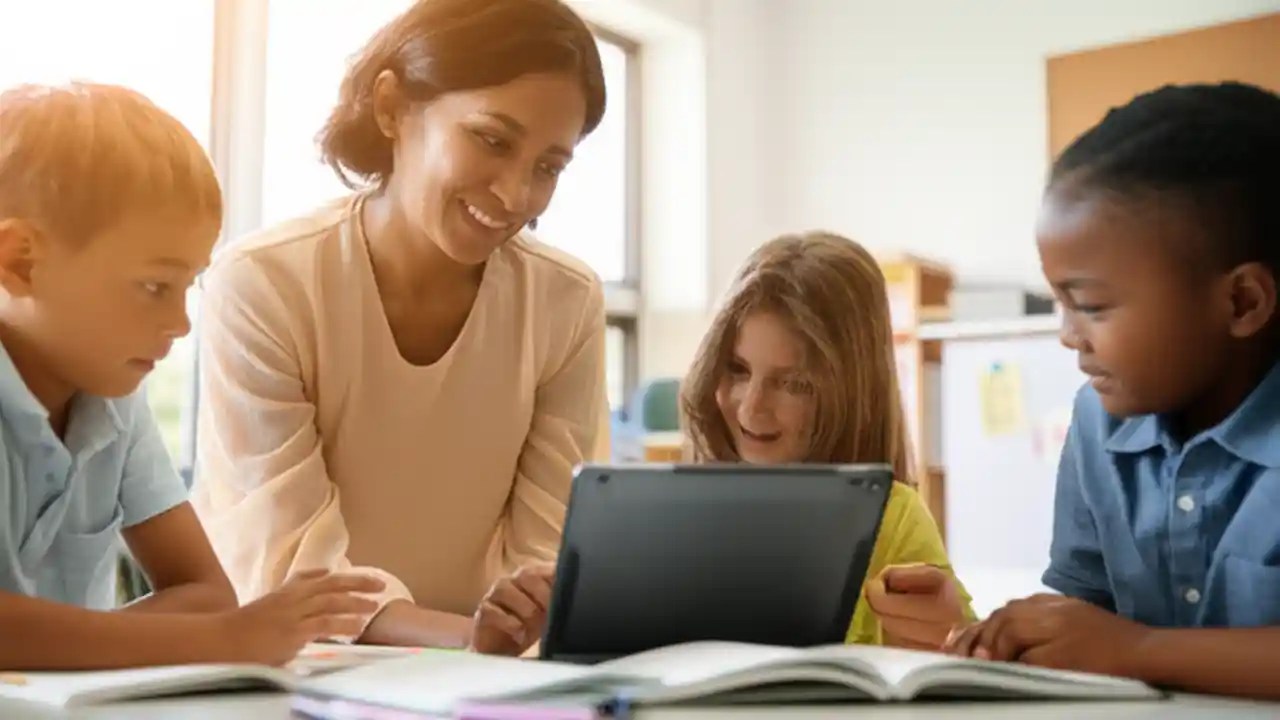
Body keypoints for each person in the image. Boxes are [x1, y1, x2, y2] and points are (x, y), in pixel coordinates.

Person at [191, 0, 609, 651]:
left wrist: (502, 637)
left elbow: (546, 562)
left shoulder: (566, 301)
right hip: (299, 671)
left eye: (548, 167)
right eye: (492, 140)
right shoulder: (265, 283)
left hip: (482, 679)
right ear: (392, 108)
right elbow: (299, 576)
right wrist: (473, 637)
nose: (515, 195)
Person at [0, 82, 382, 670]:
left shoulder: (113, 398)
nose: (180, 324)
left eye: (188, 286)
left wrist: (64, 642)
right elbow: (213, 625)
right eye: (154, 287)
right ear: (21, 261)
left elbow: (206, 595)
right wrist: (224, 641)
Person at [473, 233, 975, 655]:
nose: (752, 408)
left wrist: (949, 641)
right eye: (737, 370)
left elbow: (971, 675)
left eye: (794, 383)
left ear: (851, 391)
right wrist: (504, 646)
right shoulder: (657, 515)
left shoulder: (895, 519)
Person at [944, 82, 1280, 700]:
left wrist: (1139, 650)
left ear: (1241, 301)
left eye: (1092, 305)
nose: (1069, 336)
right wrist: (1012, 637)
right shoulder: (1097, 422)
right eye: (1058, 302)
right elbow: (1083, 611)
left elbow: (1115, 646)